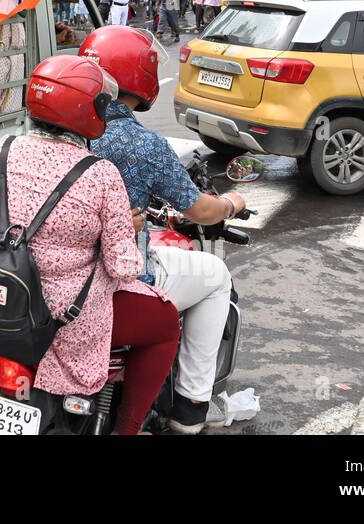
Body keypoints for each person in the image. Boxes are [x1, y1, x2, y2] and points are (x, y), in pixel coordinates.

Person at [0, 54, 180, 435]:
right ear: (89, 111)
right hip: (66, 322)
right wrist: (127, 229)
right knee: (166, 323)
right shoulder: (100, 175)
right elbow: (124, 268)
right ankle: (127, 429)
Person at [80, 25, 245, 434]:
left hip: (56, 273)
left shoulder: (58, 133)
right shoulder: (143, 144)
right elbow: (201, 209)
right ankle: (190, 406)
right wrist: (230, 203)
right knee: (216, 277)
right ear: (141, 75)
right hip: (115, 280)